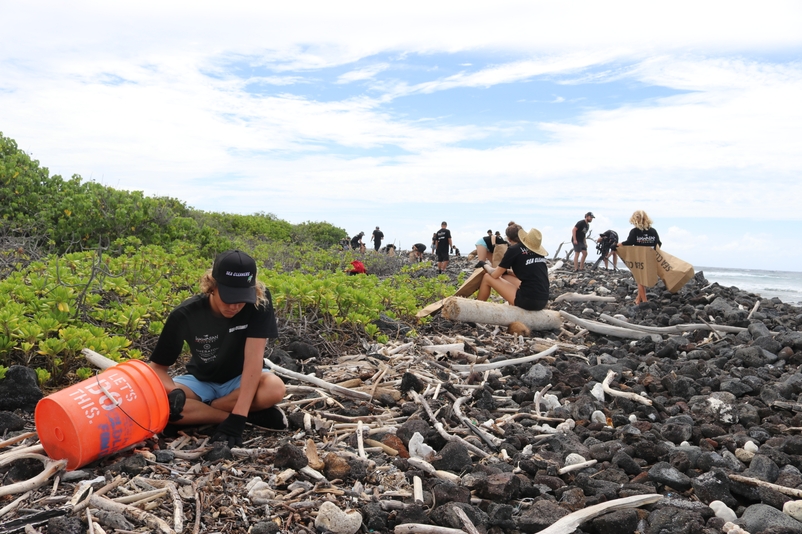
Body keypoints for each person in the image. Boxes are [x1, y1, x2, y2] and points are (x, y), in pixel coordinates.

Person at [149, 250, 287, 447]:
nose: (235, 306)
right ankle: (236, 418)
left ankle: (212, 412)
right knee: (161, 403)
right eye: (229, 297)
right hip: (200, 381)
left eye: (242, 298)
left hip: (240, 380)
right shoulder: (185, 314)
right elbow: (157, 368)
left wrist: (238, 415)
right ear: (211, 287)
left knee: (275, 388)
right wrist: (174, 394)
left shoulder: (259, 302)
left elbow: (253, 361)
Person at [476, 224, 550, 310]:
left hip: (528, 301)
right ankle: (513, 309)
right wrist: (508, 272)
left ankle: (477, 310)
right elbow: (529, 273)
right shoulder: (538, 252)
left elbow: (494, 275)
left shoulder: (514, 249)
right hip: (543, 300)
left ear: (508, 239)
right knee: (505, 276)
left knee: (487, 277)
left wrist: (483, 264)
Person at [620, 210, 661, 304]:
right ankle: (638, 298)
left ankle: (644, 301)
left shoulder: (635, 231)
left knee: (640, 279)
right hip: (651, 257)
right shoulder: (653, 231)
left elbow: (629, 242)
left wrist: (619, 244)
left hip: (639, 258)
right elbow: (658, 243)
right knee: (643, 278)